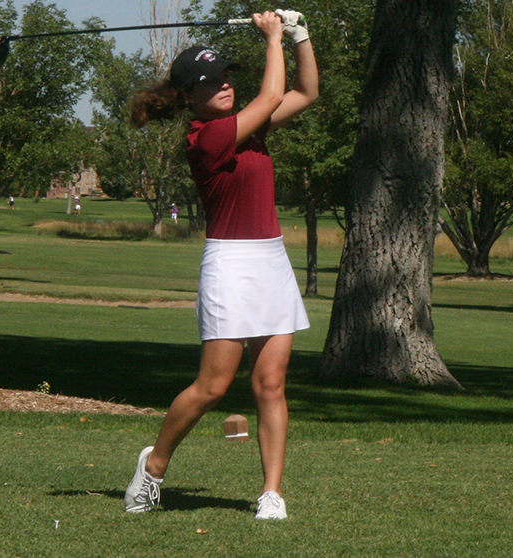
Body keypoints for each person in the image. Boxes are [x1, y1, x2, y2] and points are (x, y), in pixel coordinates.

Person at [122, 9, 317, 520]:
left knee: (270, 384)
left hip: (271, 259)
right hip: (230, 265)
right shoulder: (206, 138)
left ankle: (272, 493)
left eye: (226, 77)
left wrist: (299, 36)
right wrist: (272, 35)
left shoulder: (245, 129)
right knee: (213, 386)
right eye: (211, 84)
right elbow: (272, 96)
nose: (224, 87)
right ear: (189, 98)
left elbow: (306, 92)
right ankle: (154, 467)